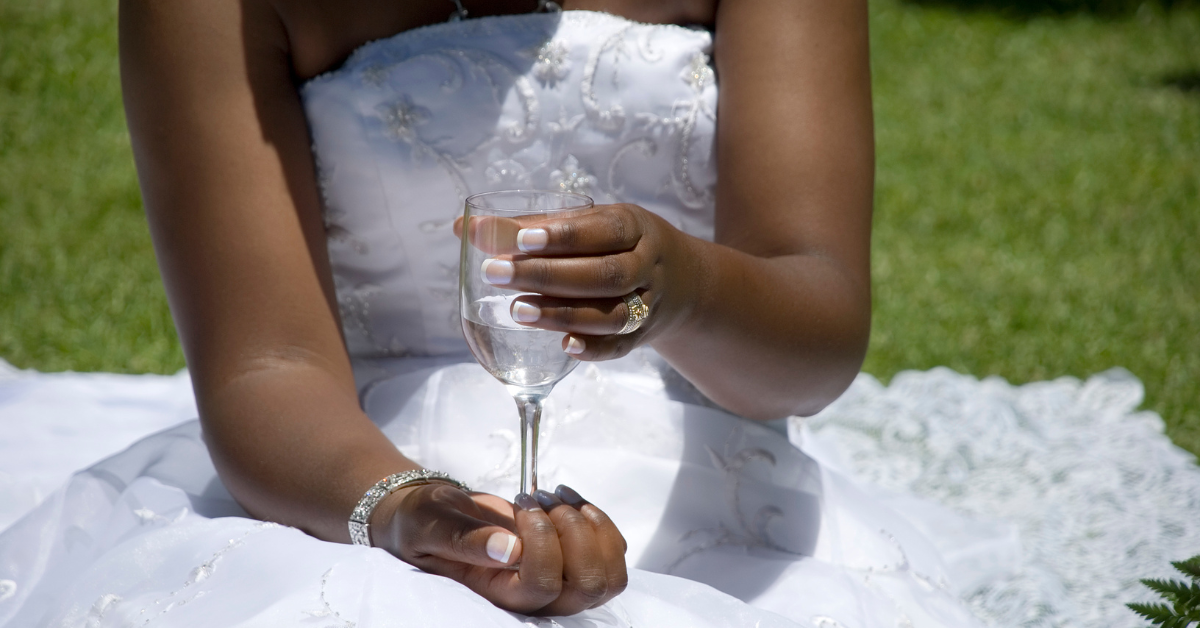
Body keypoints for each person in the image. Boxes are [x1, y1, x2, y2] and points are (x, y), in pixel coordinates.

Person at [8, 0, 1189, 626]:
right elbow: (267, 366)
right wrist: (406, 511)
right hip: (339, 463)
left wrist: (687, 286)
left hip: (708, 479)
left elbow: (816, 336)